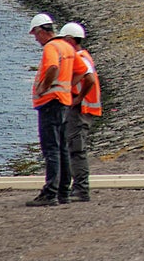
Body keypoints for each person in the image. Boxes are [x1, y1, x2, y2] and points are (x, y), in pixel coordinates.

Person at [26, 13, 77, 207]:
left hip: (50, 103)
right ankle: (64, 190)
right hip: (64, 101)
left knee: (51, 149)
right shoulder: (67, 47)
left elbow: (53, 68)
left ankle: (51, 192)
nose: (36, 39)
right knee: (62, 147)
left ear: (41, 31)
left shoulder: (51, 47)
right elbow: (82, 71)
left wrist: (43, 88)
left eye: (35, 35)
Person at [60, 22, 101, 203]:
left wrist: (77, 98)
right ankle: (78, 187)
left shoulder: (80, 58)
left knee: (77, 149)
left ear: (70, 40)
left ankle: (81, 189)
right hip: (83, 108)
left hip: (81, 109)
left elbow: (89, 79)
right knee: (76, 148)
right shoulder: (84, 56)